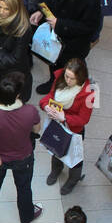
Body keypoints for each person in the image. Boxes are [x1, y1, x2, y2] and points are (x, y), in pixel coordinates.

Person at [32, 0, 101, 90]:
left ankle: (69, 88)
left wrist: (60, 24)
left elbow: (89, 27)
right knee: (54, 62)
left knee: (69, 67)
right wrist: (42, 10)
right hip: (56, 32)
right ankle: (54, 82)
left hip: (74, 42)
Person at [0, 74, 42, 223]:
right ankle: (26, 217)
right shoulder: (30, 111)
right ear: (18, 95)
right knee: (24, 188)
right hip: (24, 158)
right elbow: (37, 130)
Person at [39, 59, 95, 194]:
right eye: (66, 76)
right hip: (56, 124)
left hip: (74, 130)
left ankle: (73, 179)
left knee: (74, 157)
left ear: (80, 78)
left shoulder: (89, 93)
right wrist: (46, 106)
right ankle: (56, 170)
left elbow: (83, 119)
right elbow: (48, 97)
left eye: (72, 78)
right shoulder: (59, 78)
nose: (68, 81)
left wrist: (64, 118)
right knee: (56, 148)